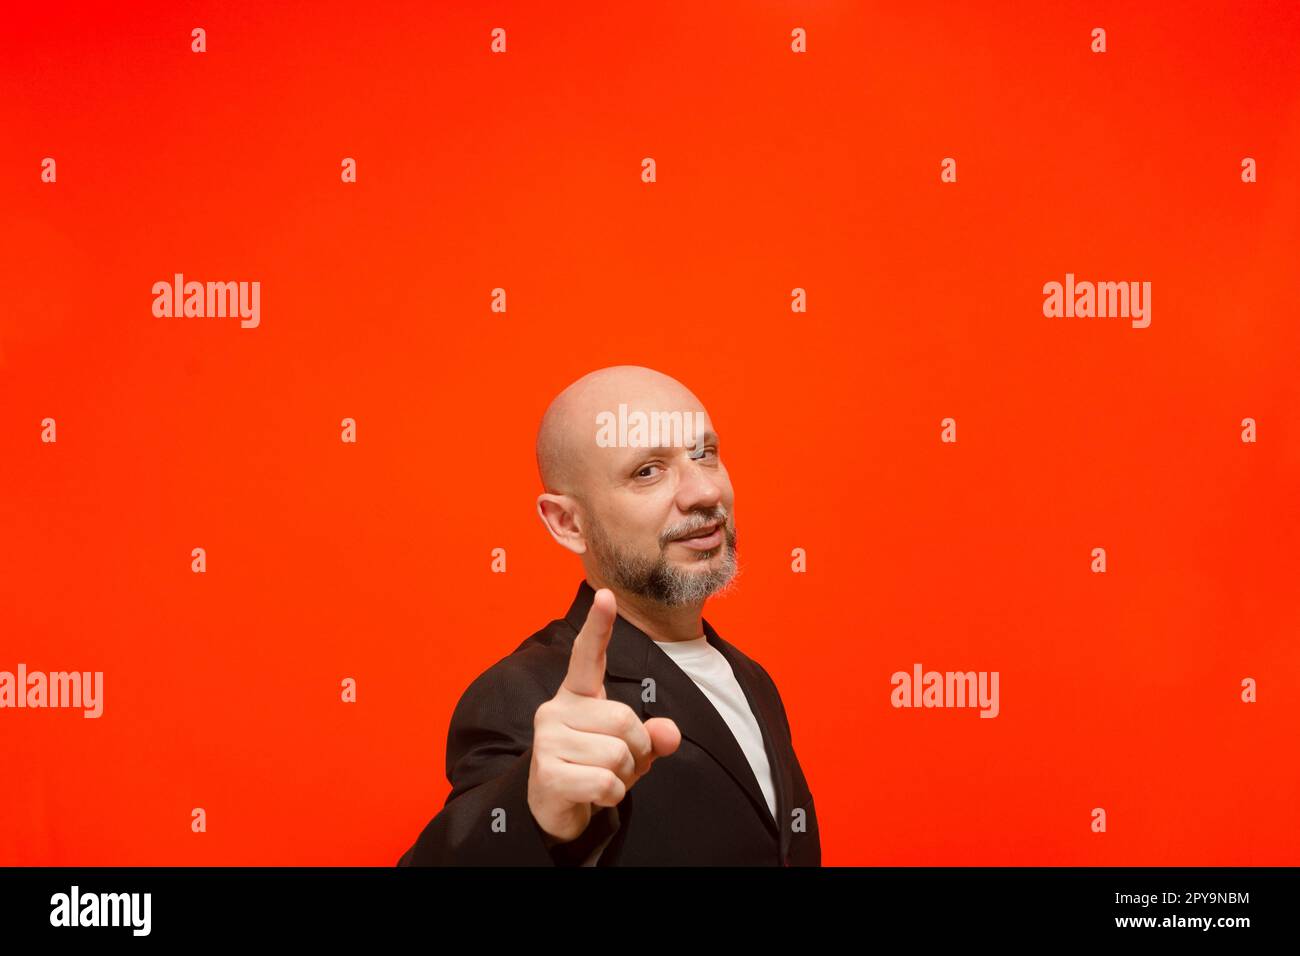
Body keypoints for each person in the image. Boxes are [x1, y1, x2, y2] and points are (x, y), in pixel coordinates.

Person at [396, 365, 820, 865]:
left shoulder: (751, 677)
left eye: (704, 454)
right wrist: (534, 814)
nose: (704, 493)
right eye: (647, 470)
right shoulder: (524, 694)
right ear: (568, 523)